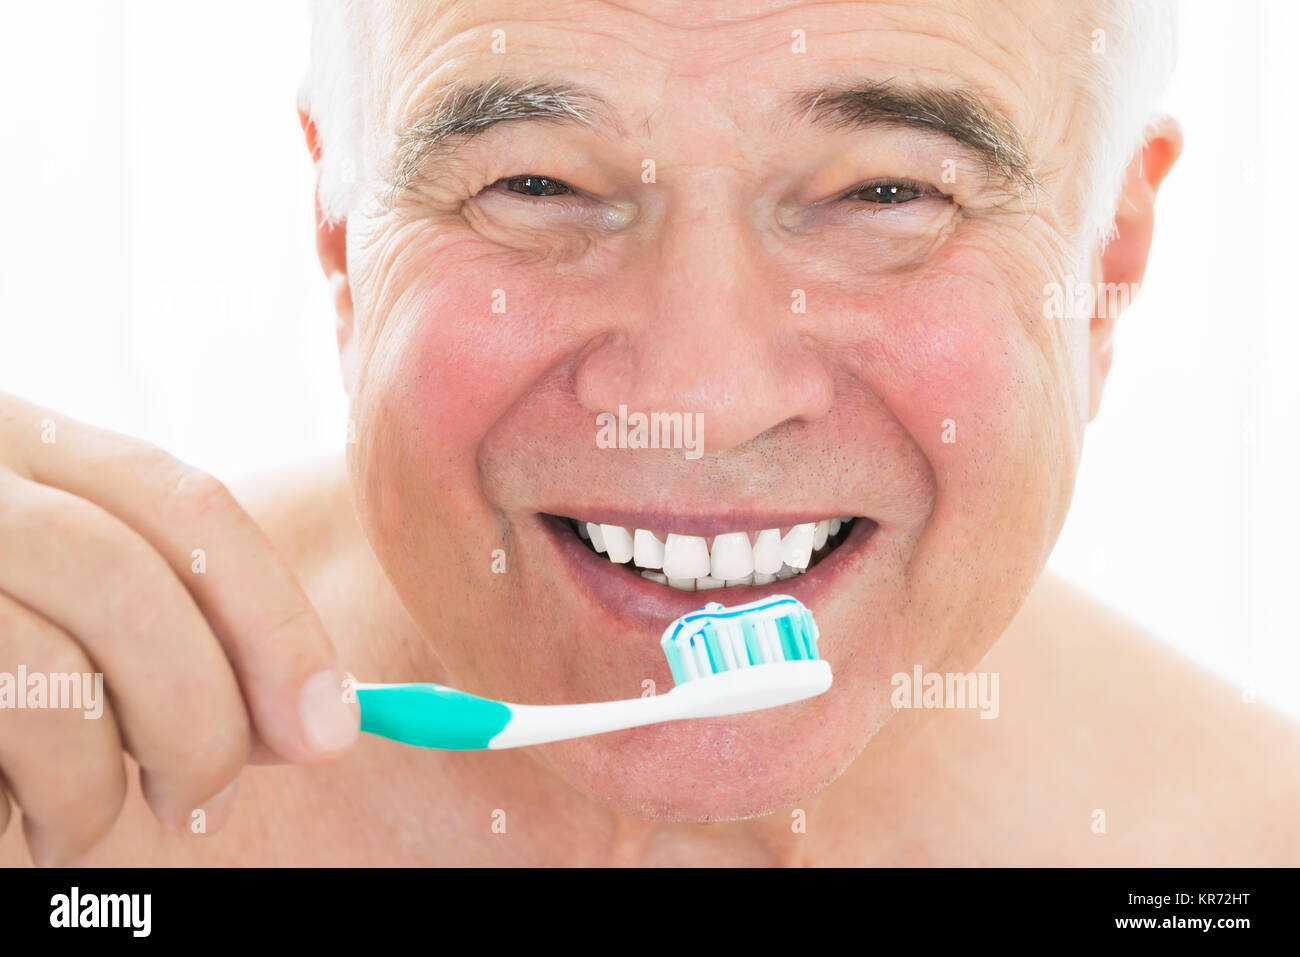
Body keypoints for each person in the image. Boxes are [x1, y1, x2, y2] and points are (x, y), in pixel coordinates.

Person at [2, 0, 1296, 867]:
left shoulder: (1242, 847)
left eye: (887, 191)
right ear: (342, 239)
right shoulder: (62, 798)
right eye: (537, 184)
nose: (705, 390)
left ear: (1108, 266)